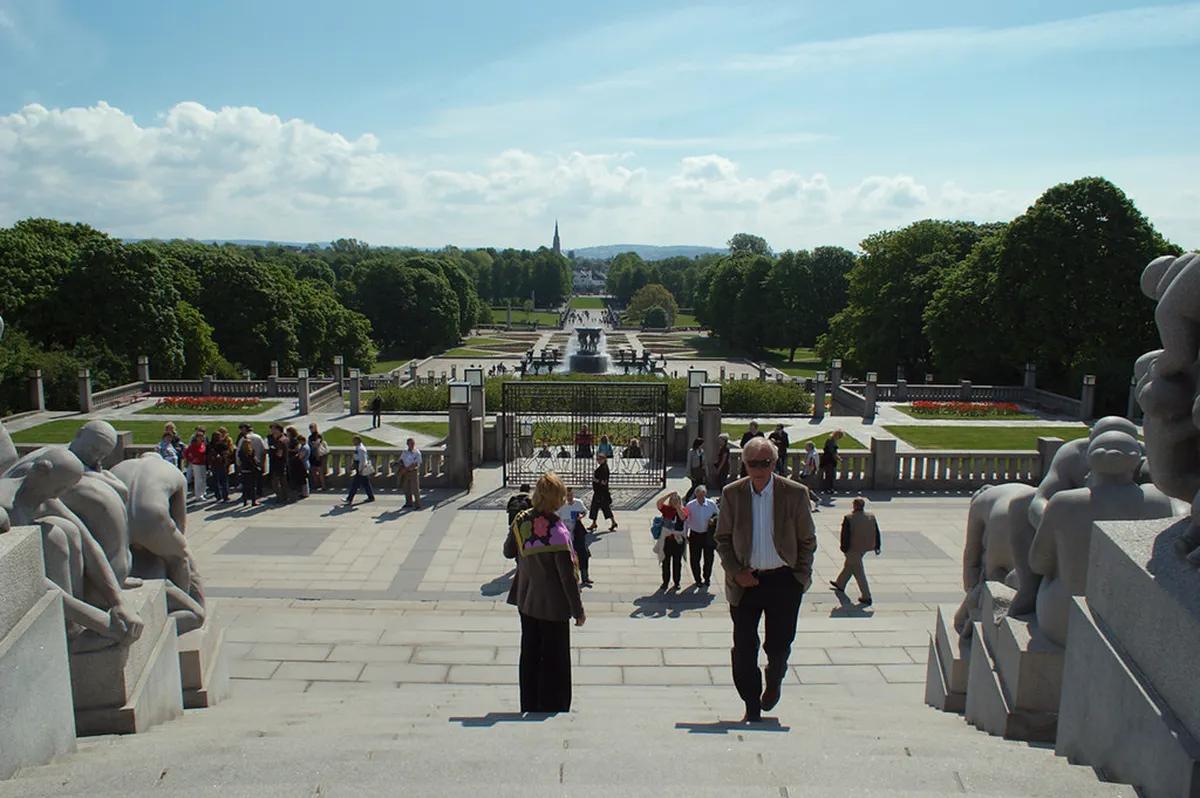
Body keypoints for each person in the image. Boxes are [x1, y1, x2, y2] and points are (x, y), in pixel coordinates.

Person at [715, 436, 817, 723]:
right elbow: (722, 538)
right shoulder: (732, 494)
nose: (759, 469)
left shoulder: (795, 493)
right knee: (744, 647)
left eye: (766, 463)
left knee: (779, 645)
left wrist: (800, 578)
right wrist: (736, 571)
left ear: (775, 463)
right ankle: (751, 704)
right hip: (745, 582)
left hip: (784, 581)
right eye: (753, 463)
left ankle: (774, 679)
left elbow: (807, 540)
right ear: (744, 464)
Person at [503, 472, 585, 713]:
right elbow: (567, 578)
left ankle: (528, 701)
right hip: (554, 605)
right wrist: (577, 610)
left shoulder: (521, 521)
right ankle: (553, 704)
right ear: (556, 500)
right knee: (554, 658)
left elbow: (508, 552)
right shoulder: (557, 533)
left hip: (526, 599)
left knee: (529, 653)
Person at [831, 497, 881, 606]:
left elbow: (845, 535)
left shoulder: (849, 518)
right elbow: (876, 531)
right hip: (865, 547)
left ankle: (866, 596)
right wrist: (877, 545)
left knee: (858, 572)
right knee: (849, 565)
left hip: (852, 548)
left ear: (854, 505)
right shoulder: (871, 517)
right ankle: (840, 583)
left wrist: (843, 548)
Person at [684, 484, 719, 587]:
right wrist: (685, 534)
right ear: (695, 495)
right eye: (699, 496)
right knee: (695, 559)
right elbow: (686, 521)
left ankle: (707, 577)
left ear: (705, 494)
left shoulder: (711, 504)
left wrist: (714, 520)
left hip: (707, 535)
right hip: (695, 535)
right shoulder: (690, 505)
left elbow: (718, 514)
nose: (701, 498)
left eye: (702, 495)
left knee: (709, 558)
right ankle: (697, 579)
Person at [557, 486, 591, 587]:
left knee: (583, 555)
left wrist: (581, 516)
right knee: (568, 559)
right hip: (566, 535)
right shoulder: (561, 506)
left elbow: (584, 511)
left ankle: (585, 577)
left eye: (571, 495)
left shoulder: (578, 503)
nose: (570, 498)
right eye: (567, 496)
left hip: (578, 533)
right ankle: (571, 580)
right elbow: (555, 517)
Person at [655, 491, 688, 591]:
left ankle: (677, 582)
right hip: (667, 540)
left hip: (678, 541)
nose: (674, 502)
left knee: (677, 562)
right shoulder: (667, 510)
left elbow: (683, 517)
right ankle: (665, 582)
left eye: (677, 500)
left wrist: (678, 507)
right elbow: (659, 503)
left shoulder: (684, 510)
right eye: (673, 501)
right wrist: (669, 495)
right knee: (666, 563)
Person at [587, 453, 616, 531]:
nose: (598, 461)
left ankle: (612, 522)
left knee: (599, 507)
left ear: (604, 459)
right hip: (600, 492)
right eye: (597, 459)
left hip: (601, 492)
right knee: (598, 507)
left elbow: (604, 482)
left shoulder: (604, 469)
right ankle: (595, 523)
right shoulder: (603, 467)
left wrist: (596, 480)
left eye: (599, 459)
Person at [238, 424, 267, 499]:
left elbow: (238, 453)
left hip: (246, 465)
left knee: (247, 482)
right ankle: (259, 493)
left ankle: (247, 495)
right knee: (258, 479)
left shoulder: (243, 439)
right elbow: (264, 450)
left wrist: (238, 464)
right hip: (258, 462)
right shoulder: (258, 437)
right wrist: (263, 463)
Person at [345, 435, 375, 505]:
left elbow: (362, 460)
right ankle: (371, 497)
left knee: (355, 484)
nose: (353, 442)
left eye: (354, 440)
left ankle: (349, 499)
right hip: (359, 467)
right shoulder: (358, 448)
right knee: (366, 483)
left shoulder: (361, 449)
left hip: (361, 468)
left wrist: (360, 469)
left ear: (358, 441)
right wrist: (353, 465)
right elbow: (356, 458)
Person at [207, 427, 233, 502]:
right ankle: (225, 496)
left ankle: (218, 496)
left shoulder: (209, 445)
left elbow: (207, 455)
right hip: (222, 465)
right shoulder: (222, 444)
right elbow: (226, 453)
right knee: (224, 481)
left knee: (216, 481)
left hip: (213, 465)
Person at [267, 423, 290, 504]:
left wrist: (272, 450)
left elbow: (279, 454)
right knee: (283, 481)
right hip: (282, 463)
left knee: (276, 481)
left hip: (278, 463)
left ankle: (280, 497)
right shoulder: (284, 438)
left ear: (278, 430)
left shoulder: (281, 441)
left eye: (273, 429)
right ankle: (285, 496)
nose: (271, 431)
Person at [397, 438, 422, 509]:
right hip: (405, 472)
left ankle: (417, 504)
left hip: (413, 472)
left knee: (415, 488)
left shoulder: (417, 452)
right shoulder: (405, 452)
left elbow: (416, 463)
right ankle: (408, 502)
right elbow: (401, 460)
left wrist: (406, 469)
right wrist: (401, 466)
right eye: (409, 443)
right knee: (406, 488)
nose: (411, 445)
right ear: (407, 444)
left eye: (412, 443)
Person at [183, 430, 207, 503]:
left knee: (203, 478)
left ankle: (203, 493)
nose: (201, 438)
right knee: (198, 479)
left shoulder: (203, 444)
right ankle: (198, 495)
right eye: (199, 437)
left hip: (203, 463)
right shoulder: (193, 445)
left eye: (202, 437)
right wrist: (192, 460)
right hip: (196, 464)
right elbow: (186, 453)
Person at [237, 437, 261, 506]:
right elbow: (254, 461)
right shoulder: (251, 452)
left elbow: (240, 461)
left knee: (245, 487)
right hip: (251, 471)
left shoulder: (241, 452)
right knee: (252, 487)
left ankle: (245, 501)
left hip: (244, 470)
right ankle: (253, 501)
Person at [820, 430, 843, 494]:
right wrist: (838, 457)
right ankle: (828, 489)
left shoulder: (832, 441)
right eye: (840, 436)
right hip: (829, 460)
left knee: (831, 475)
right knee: (829, 475)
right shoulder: (831, 441)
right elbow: (832, 452)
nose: (840, 438)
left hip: (830, 460)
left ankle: (830, 488)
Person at [800, 441, 821, 510]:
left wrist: (804, 464)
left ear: (810, 447)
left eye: (806, 446)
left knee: (805, 488)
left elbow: (811, 465)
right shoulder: (812, 453)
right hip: (810, 473)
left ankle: (816, 499)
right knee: (806, 488)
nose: (805, 448)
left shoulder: (812, 455)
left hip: (809, 473)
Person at [684, 437, 705, 502]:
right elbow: (689, 462)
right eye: (702, 444)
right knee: (694, 486)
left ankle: (696, 499)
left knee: (700, 486)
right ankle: (687, 497)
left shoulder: (702, 451)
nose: (703, 445)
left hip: (700, 470)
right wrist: (688, 473)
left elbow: (704, 461)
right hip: (694, 471)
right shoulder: (691, 451)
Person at [308, 422, 327, 491]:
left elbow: (317, 444)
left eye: (312, 427)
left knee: (320, 472)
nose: (311, 429)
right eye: (310, 428)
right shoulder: (310, 437)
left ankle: (323, 486)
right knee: (313, 471)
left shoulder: (319, 435)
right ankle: (316, 485)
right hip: (312, 455)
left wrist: (314, 444)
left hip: (318, 455)